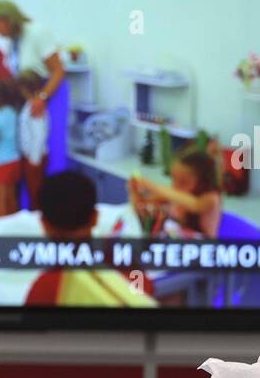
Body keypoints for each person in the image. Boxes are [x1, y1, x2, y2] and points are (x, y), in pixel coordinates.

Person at [25, 171, 157, 307]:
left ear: (44, 224)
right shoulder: (128, 267)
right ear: (95, 218)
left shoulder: (44, 289)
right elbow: (146, 293)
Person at [0, 0, 69, 175]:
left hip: (48, 92)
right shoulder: (13, 41)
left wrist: (42, 98)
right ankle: (30, 197)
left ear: (7, 19)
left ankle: (51, 194)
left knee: (48, 149)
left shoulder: (37, 32)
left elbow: (59, 70)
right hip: (30, 94)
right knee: (30, 148)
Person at [128, 148, 224, 238]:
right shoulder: (176, 195)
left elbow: (195, 204)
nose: (176, 186)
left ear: (202, 182)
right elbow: (140, 205)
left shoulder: (211, 199)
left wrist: (150, 185)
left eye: (183, 182)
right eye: (174, 179)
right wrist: (134, 190)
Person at [0, 77, 25, 217]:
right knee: (12, 199)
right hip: (15, 160)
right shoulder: (12, 111)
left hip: (1, 162)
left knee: (1, 202)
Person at [15, 70, 49, 210]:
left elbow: (39, 134)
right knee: (33, 193)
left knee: (36, 197)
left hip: (35, 157)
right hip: (31, 156)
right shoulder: (30, 104)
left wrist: (34, 161)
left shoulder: (35, 106)